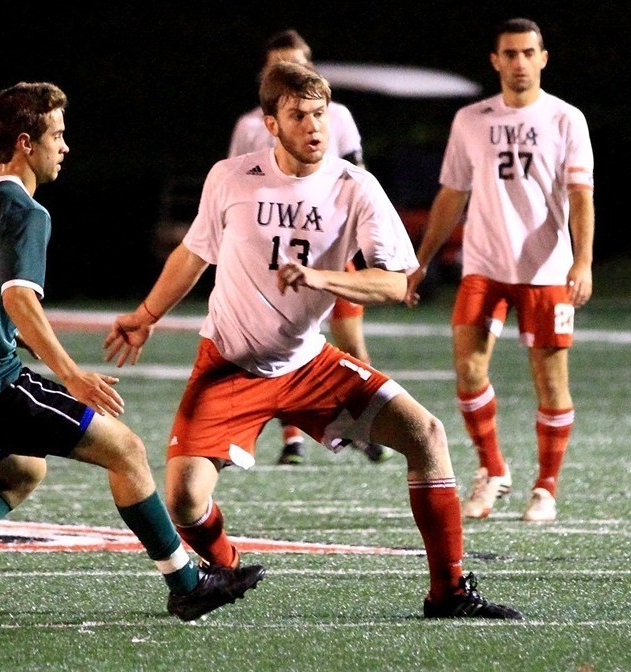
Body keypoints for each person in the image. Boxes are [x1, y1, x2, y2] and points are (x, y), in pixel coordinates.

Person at [104, 61, 521, 619]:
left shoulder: (354, 187)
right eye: (298, 115)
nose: (314, 126)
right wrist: (146, 313)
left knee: (427, 433)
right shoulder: (230, 176)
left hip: (309, 364)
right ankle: (225, 566)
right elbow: (194, 252)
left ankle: (446, 591)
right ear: (271, 124)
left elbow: (397, 281)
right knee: (182, 499)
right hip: (229, 365)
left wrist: (327, 278)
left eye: (320, 114)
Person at [0, 81, 265, 621]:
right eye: (57, 135)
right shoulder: (26, 212)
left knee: (24, 471)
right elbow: (18, 299)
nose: (66, 146)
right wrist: (72, 375)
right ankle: (186, 582)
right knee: (126, 450)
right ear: (24, 143)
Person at [405, 18, 595, 523]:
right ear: (495, 61)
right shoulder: (471, 119)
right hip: (484, 267)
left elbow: (581, 196)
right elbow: (452, 194)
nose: (518, 62)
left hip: (546, 270)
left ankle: (546, 487)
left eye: (527, 53)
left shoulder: (566, 119)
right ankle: (493, 470)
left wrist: (582, 260)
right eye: (508, 54)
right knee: (468, 371)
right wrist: (421, 259)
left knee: (550, 382)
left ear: (543, 58)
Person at [229, 27, 390, 466]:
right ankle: (291, 437)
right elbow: (235, 191)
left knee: (351, 340)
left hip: (330, 249)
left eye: (296, 65)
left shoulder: (335, 116)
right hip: (275, 253)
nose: (289, 75)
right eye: (278, 69)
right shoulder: (251, 126)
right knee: (278, 341)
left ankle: (366, 422)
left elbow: (358, 178)